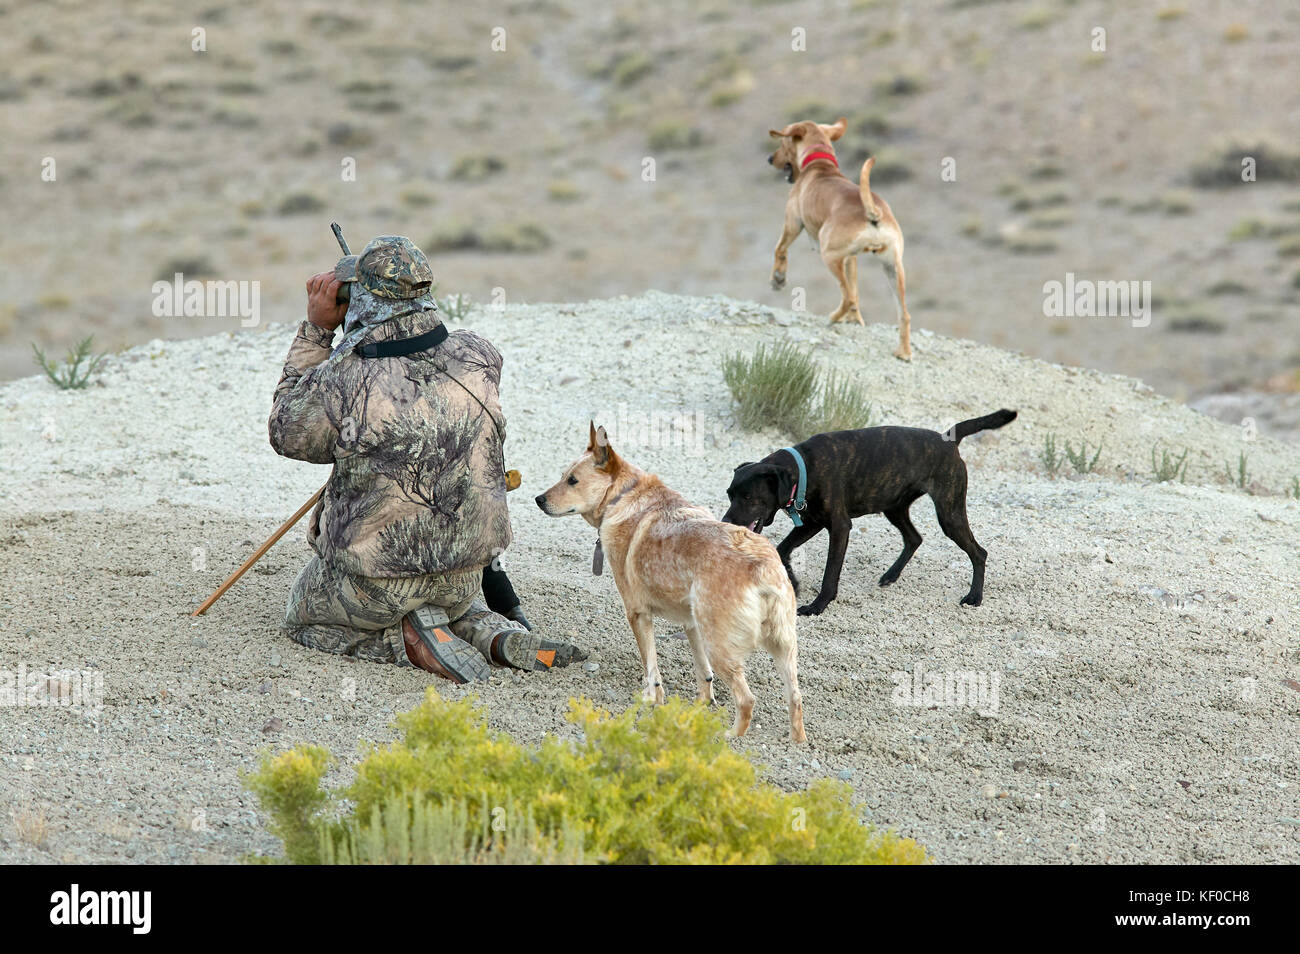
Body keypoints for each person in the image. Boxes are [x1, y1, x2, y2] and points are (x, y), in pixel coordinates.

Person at [268, 234, 584, 682]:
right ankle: (490, 633)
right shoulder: (478, 355)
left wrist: (319, 329)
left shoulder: (343, 378)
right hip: (462, 579)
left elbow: (286, 432)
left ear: (360, 298)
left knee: (303, 616)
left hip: (372, 588)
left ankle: (405, 641)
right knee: (443, 601)